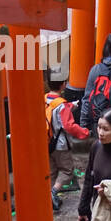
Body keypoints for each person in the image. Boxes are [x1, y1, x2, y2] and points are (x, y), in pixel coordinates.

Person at [45, 81, 89, 212]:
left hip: (47, 142)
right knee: (67, 171)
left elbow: (55, 111)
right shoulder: (62, 105)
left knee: (51, 172)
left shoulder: (45, 98)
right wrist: (85, 132)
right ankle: (53, 192)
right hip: (60, 144)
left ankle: (48, 197)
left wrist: (71, 106)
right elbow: (68, 125)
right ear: (63, 85)